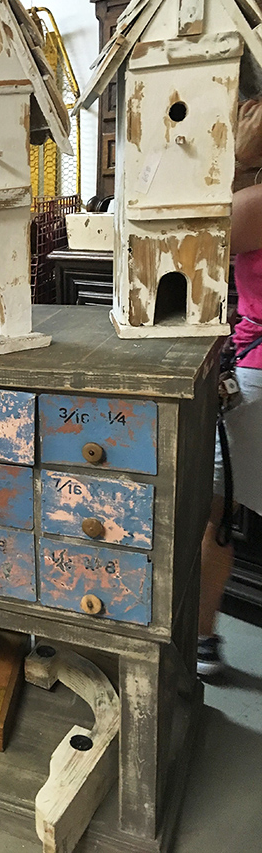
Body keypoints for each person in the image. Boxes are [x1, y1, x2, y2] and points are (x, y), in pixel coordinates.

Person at [198, 182, 262, 677]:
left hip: (256, 372)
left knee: (218, 511)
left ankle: (201, 639)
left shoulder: (255, 202)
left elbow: (197, 235)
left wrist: (239, 157)